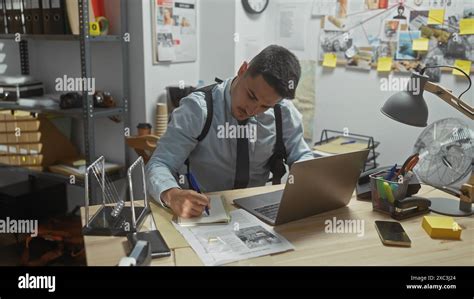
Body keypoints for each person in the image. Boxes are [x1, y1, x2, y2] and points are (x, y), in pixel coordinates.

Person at [146, 45, 314, 218]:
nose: (252, 110)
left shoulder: (282, 113)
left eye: (265, 106)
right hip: (202, 212)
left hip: (256, 213)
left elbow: (302, 157)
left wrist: (311, 177)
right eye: (251, 95)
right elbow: (159, 164)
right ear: (242, 70)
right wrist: (172, 195)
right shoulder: (198, 110)